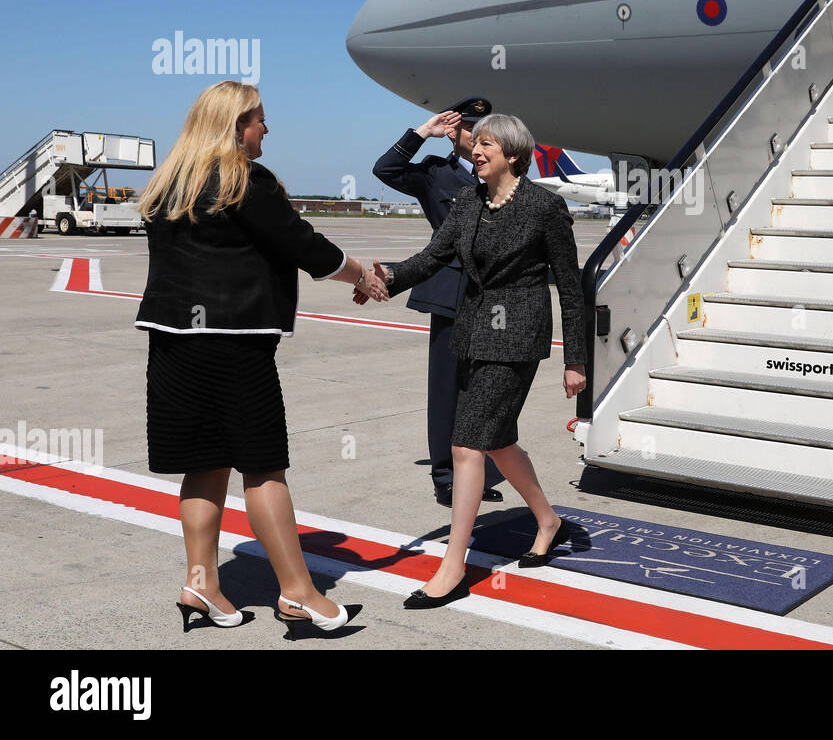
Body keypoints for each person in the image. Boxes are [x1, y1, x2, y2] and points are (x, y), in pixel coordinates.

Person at [134, 80, 389, 638]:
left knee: (204, 463)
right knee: (263, 465)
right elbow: (304, 245)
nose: (266, 129)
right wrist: (362, 276)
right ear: (235, 126)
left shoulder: (168, 183)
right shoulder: (243, 180)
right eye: (259, 120)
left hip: (172, 342)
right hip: (233, 344)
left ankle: (201, 581)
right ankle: (298, 593)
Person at [359, 114, 587, 609]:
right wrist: (386, 278)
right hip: (472, 331)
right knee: (499, 442)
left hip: (518, 337)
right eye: (475, 143)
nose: (476, 150)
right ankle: (548, 521)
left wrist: (576, 360)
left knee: (465, 445)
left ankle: (453, 564)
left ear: (512, 153)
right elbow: (433, 256)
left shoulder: (545, 207)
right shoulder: (470, 201)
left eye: (486, 144)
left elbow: (571, 288)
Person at [373, 97, 505, 509]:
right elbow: (385, 170)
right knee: (447, 389)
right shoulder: (435, 173)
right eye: (470, 128)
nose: (481, 137)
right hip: (452, 293)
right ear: (453, 131)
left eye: (486, 129)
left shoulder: (501, 175)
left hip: (495, 297)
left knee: (486, 390)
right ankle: (446, 476)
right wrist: (420, 133)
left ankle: (481, 472)